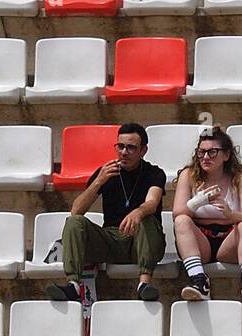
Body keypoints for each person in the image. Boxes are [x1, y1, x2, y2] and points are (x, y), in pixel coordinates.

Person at [47, 122, 167, 303]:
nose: (124, 152)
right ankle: (73, 285)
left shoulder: (154, 173)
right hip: (111, 238)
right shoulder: (106, 172)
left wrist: (138, 212)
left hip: (140, 240)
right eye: (120, 146)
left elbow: (152, 201)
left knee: (146, 219)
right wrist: (98, 181)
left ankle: (144, 284)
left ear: (143, 151)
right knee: (74, 222)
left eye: (131, 148)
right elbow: (76, 210)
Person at [173, 125, 242, 309]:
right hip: (199, 241)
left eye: (212, 152)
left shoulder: (240, 177)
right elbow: (178, 213)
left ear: (226, 155)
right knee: (182, 221)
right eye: (201, 152)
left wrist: (230, 214)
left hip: (229, 240)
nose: (205, 157)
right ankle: (199, 282)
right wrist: (197, 202)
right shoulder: (188, 175)